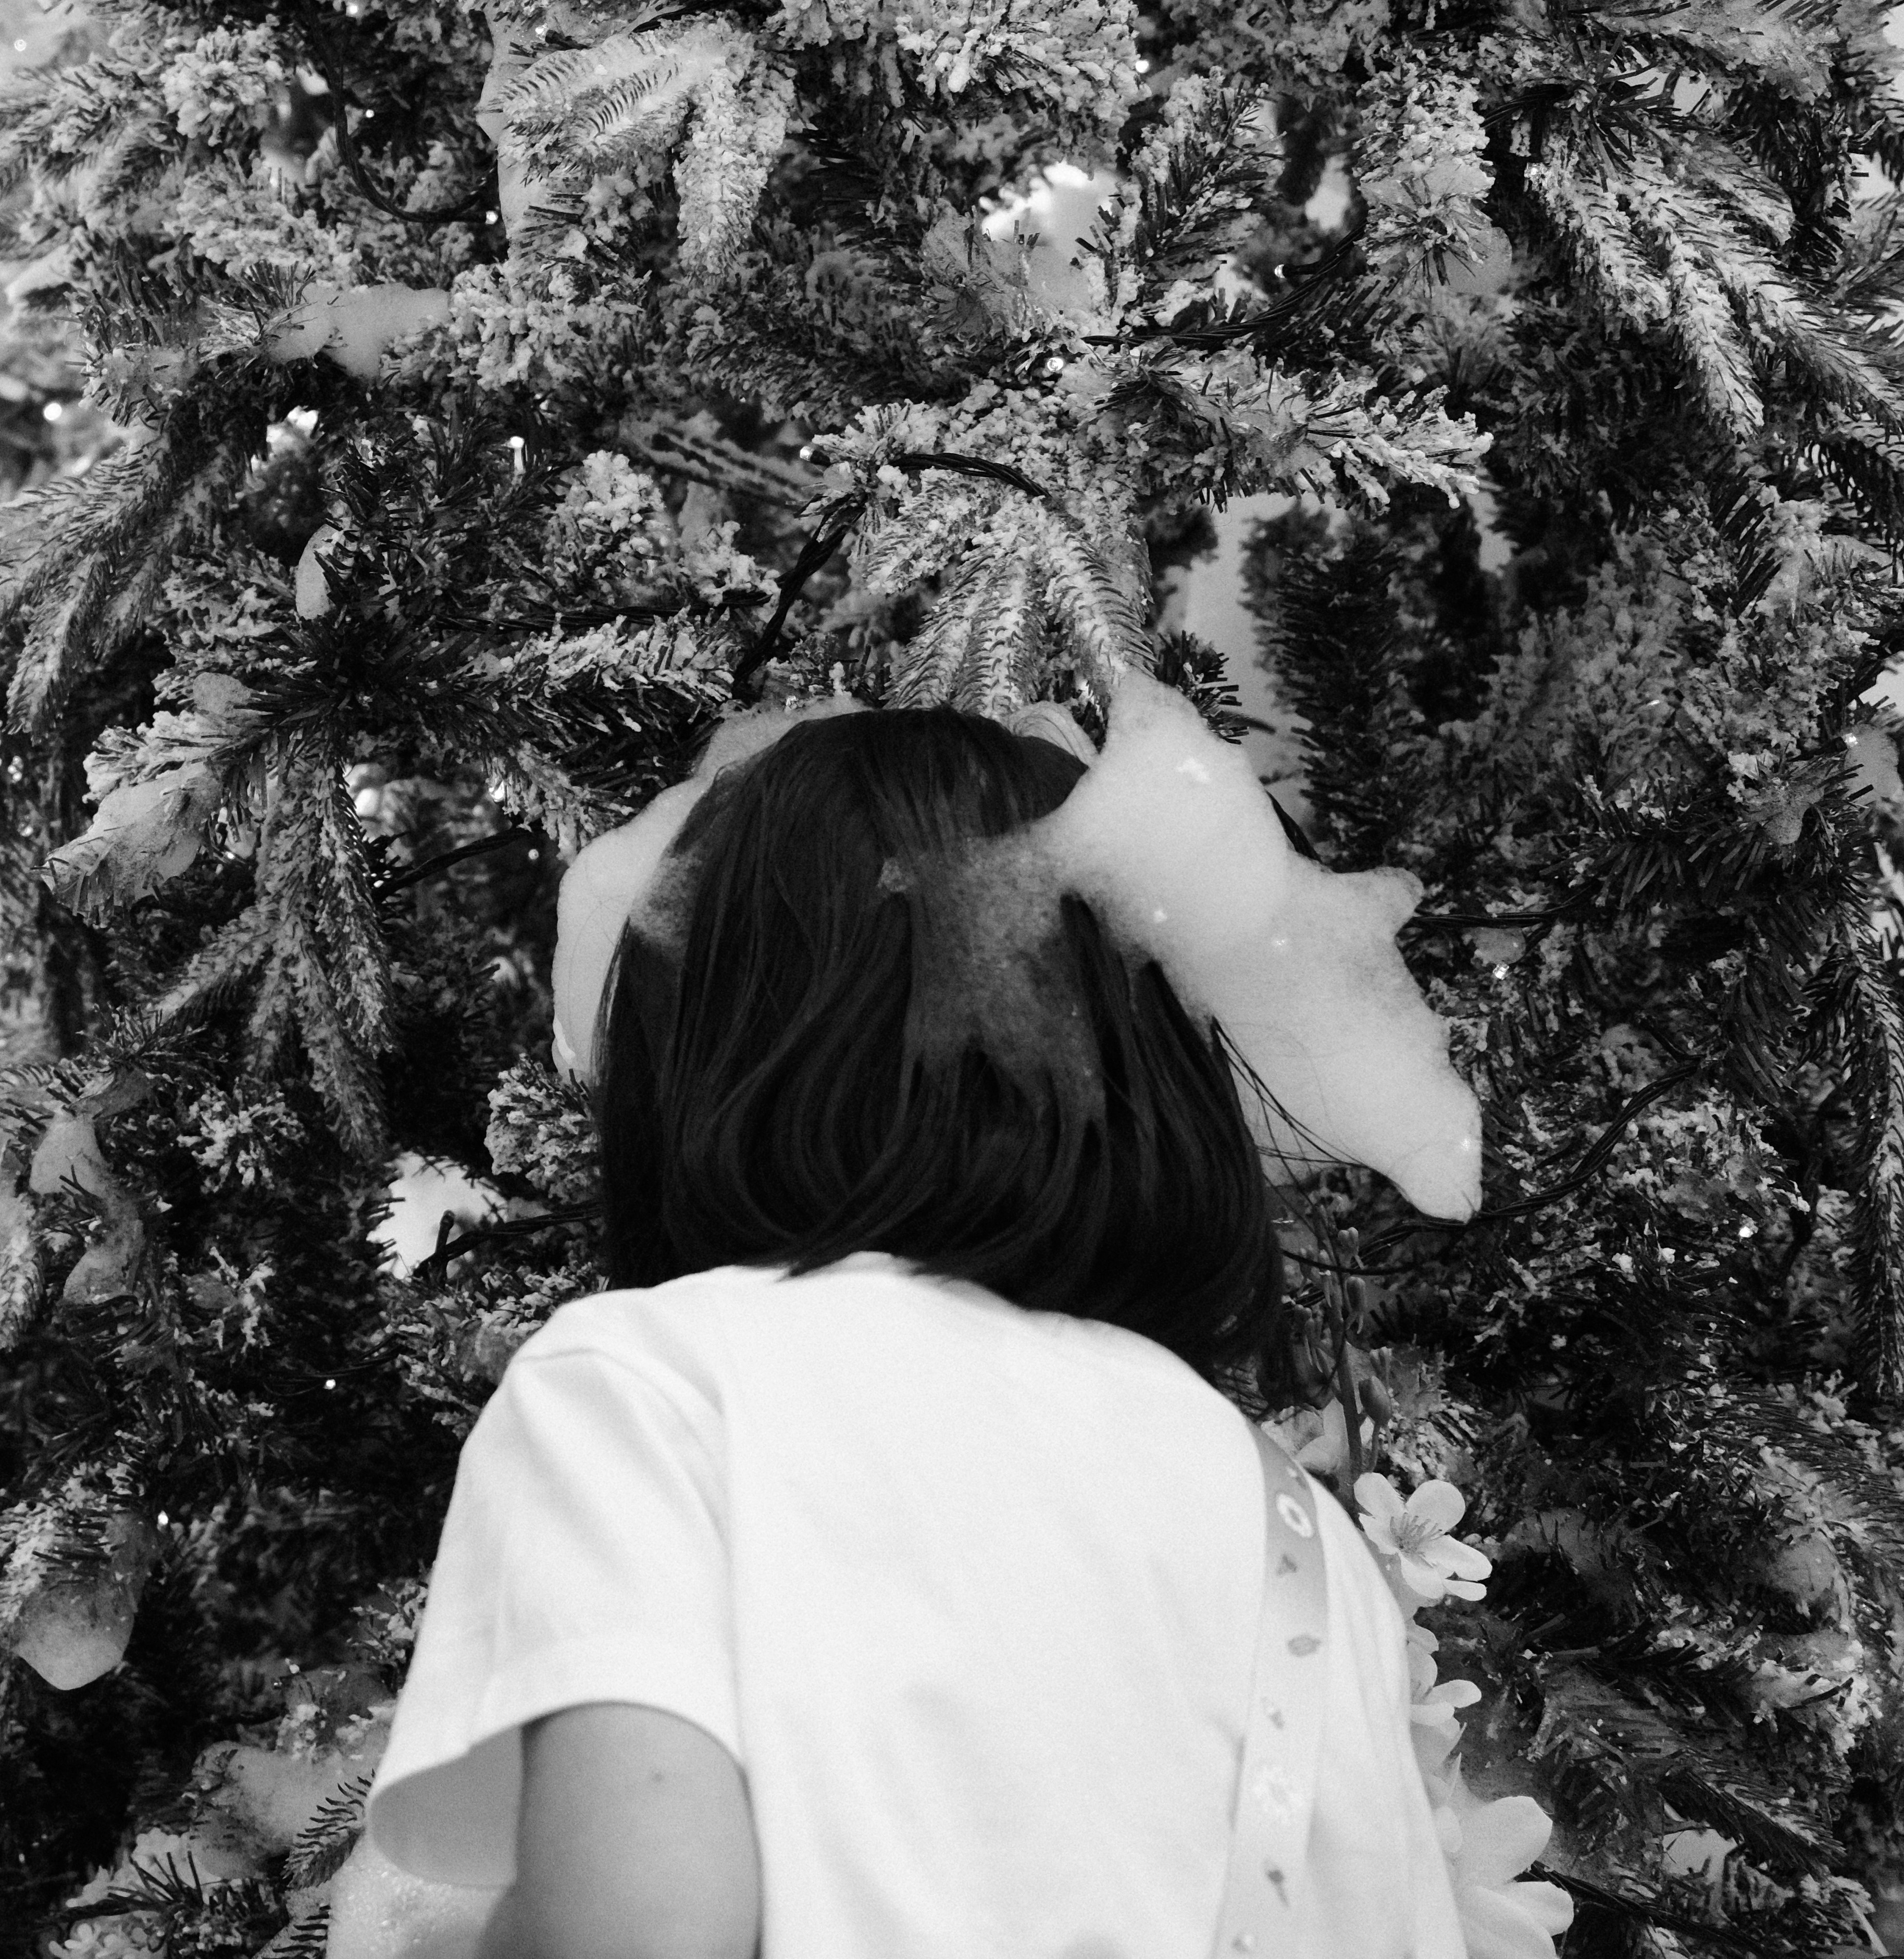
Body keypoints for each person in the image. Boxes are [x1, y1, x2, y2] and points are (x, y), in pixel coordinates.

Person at [368, 706, 1469, 1958]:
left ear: (702, 1058)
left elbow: (638, 1924)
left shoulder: (658, 1387)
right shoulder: (1298, 1533)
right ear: (1151, 1059)